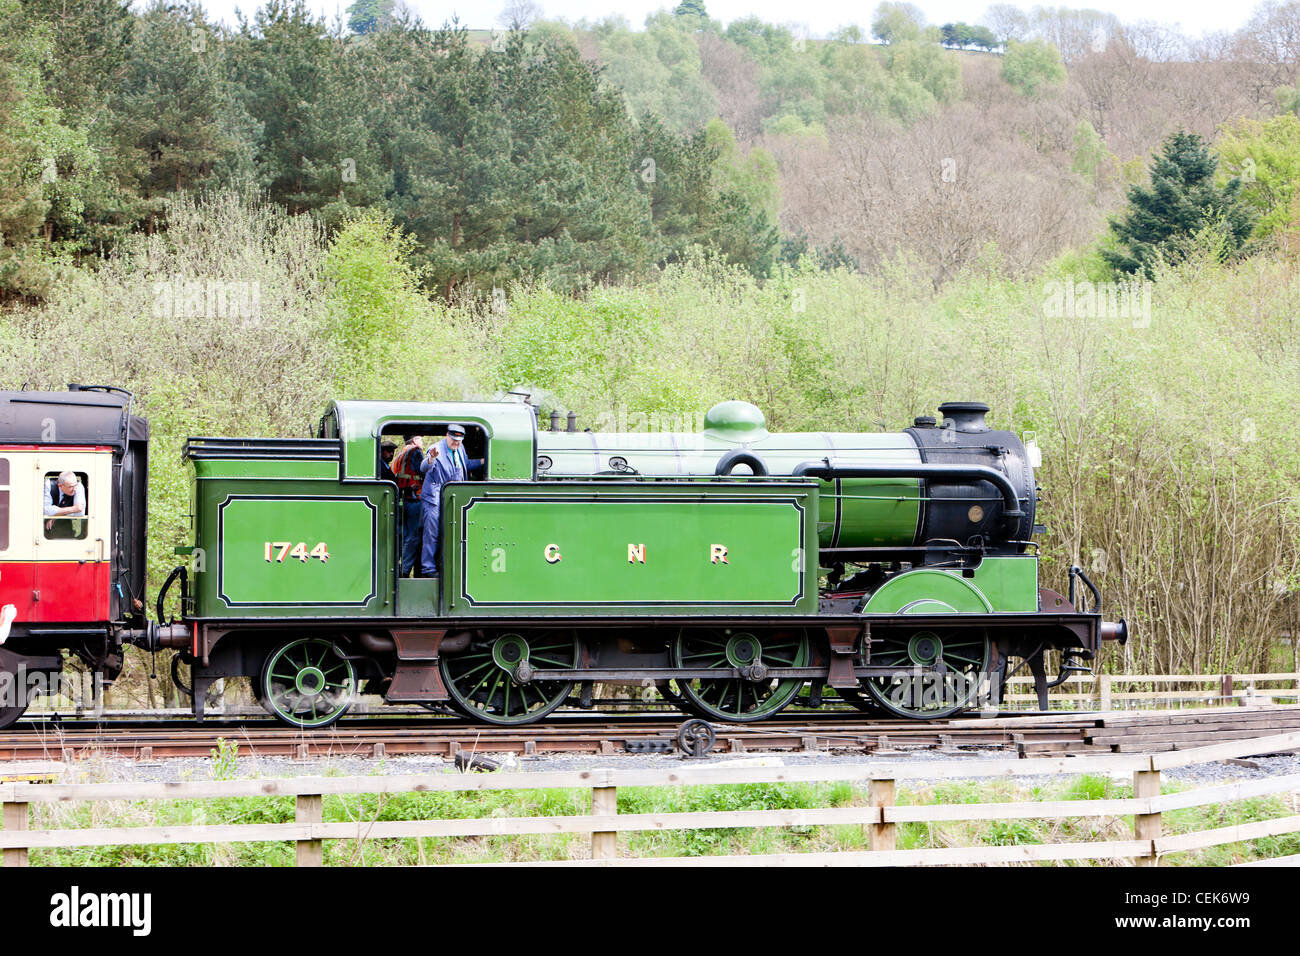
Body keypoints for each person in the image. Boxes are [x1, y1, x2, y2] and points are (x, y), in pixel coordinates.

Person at [419, 424, 482, 578]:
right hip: (434, 498)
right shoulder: (435, 448)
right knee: (431, 533)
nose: (456, 443)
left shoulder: (460, 449)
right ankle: (428, 568)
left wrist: (483, 461)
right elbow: (423, 468)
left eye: (459, 440)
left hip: (453, 498)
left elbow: (465, 465)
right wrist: (431, 458)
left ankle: (447, 566)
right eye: (454, 440)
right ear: (447, 435)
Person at [390, 435, 432, 577]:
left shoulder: (400, 455)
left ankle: (399, 566)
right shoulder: (416, 452)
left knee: (404, 535)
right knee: (413, 537)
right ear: (414, 440)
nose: (422, 442)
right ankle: (405, 570)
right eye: (420, 439)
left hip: (403, 498)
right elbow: (424, 470)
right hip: (414, 499)